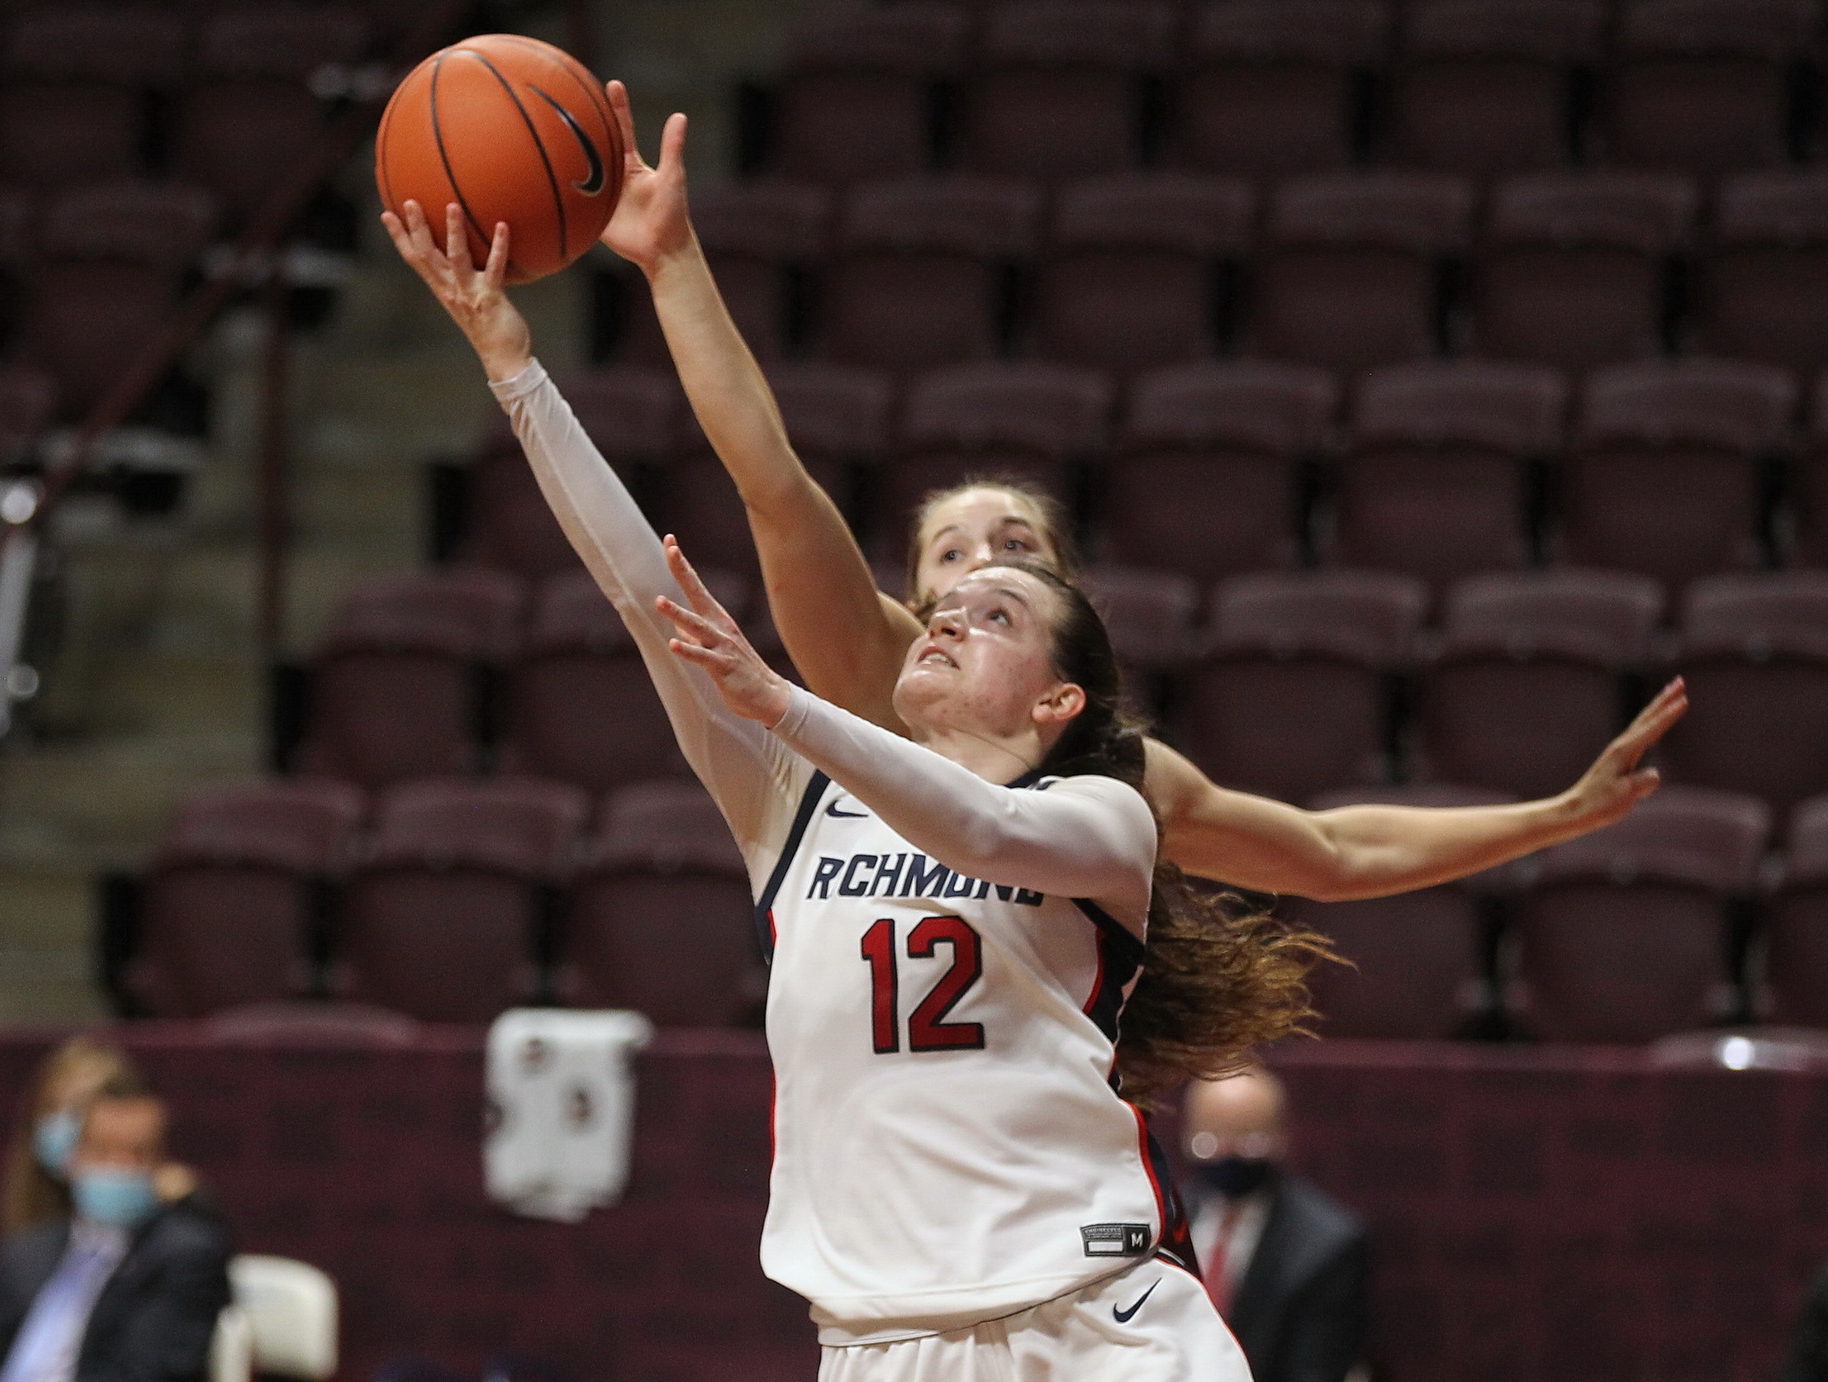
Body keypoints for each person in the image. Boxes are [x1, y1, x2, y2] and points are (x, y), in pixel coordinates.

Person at [388, 200, 1339, 1379]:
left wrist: (784, 703)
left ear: (1058, 702)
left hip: (1096, 1320)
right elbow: (641, 592)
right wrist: (516, 371)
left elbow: (976, 823)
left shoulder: (1102, 813)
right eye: (943, 603)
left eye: (998, 615)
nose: (948, 616)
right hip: (878, 1336)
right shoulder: (794, 800)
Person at [589, 81, 1688, 902]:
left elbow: (1332, 853)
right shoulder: (871, 672)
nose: (980, 568)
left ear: (1063, 601)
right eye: (950, 554)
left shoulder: (1118, 778)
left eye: (1012, 545)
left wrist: (1553, 815)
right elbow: (771, 482)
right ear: (913, 600)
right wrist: (672, 261)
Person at [0, 1081, 231, 1382]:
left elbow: (145, 1374)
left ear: (161, 1163)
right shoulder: (26, 1253)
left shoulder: (183, 1255)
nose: (120, 1166)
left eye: (138, 1154)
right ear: (71, 1156)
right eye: (102, 1151)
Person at [1183, 1068, 1369, 1382]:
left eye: (1249, 1141)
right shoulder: (1160, 1223)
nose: (1229, 1153)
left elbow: (1315, 1371)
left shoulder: (1327, 1247)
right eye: (1211, 1141)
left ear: (1280, 1137)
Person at [0, 1039, 198, 1239]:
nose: (63, 1123)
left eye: (80, 1108)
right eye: (51, 1107)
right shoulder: (29, 1227)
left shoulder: (172, 1214)